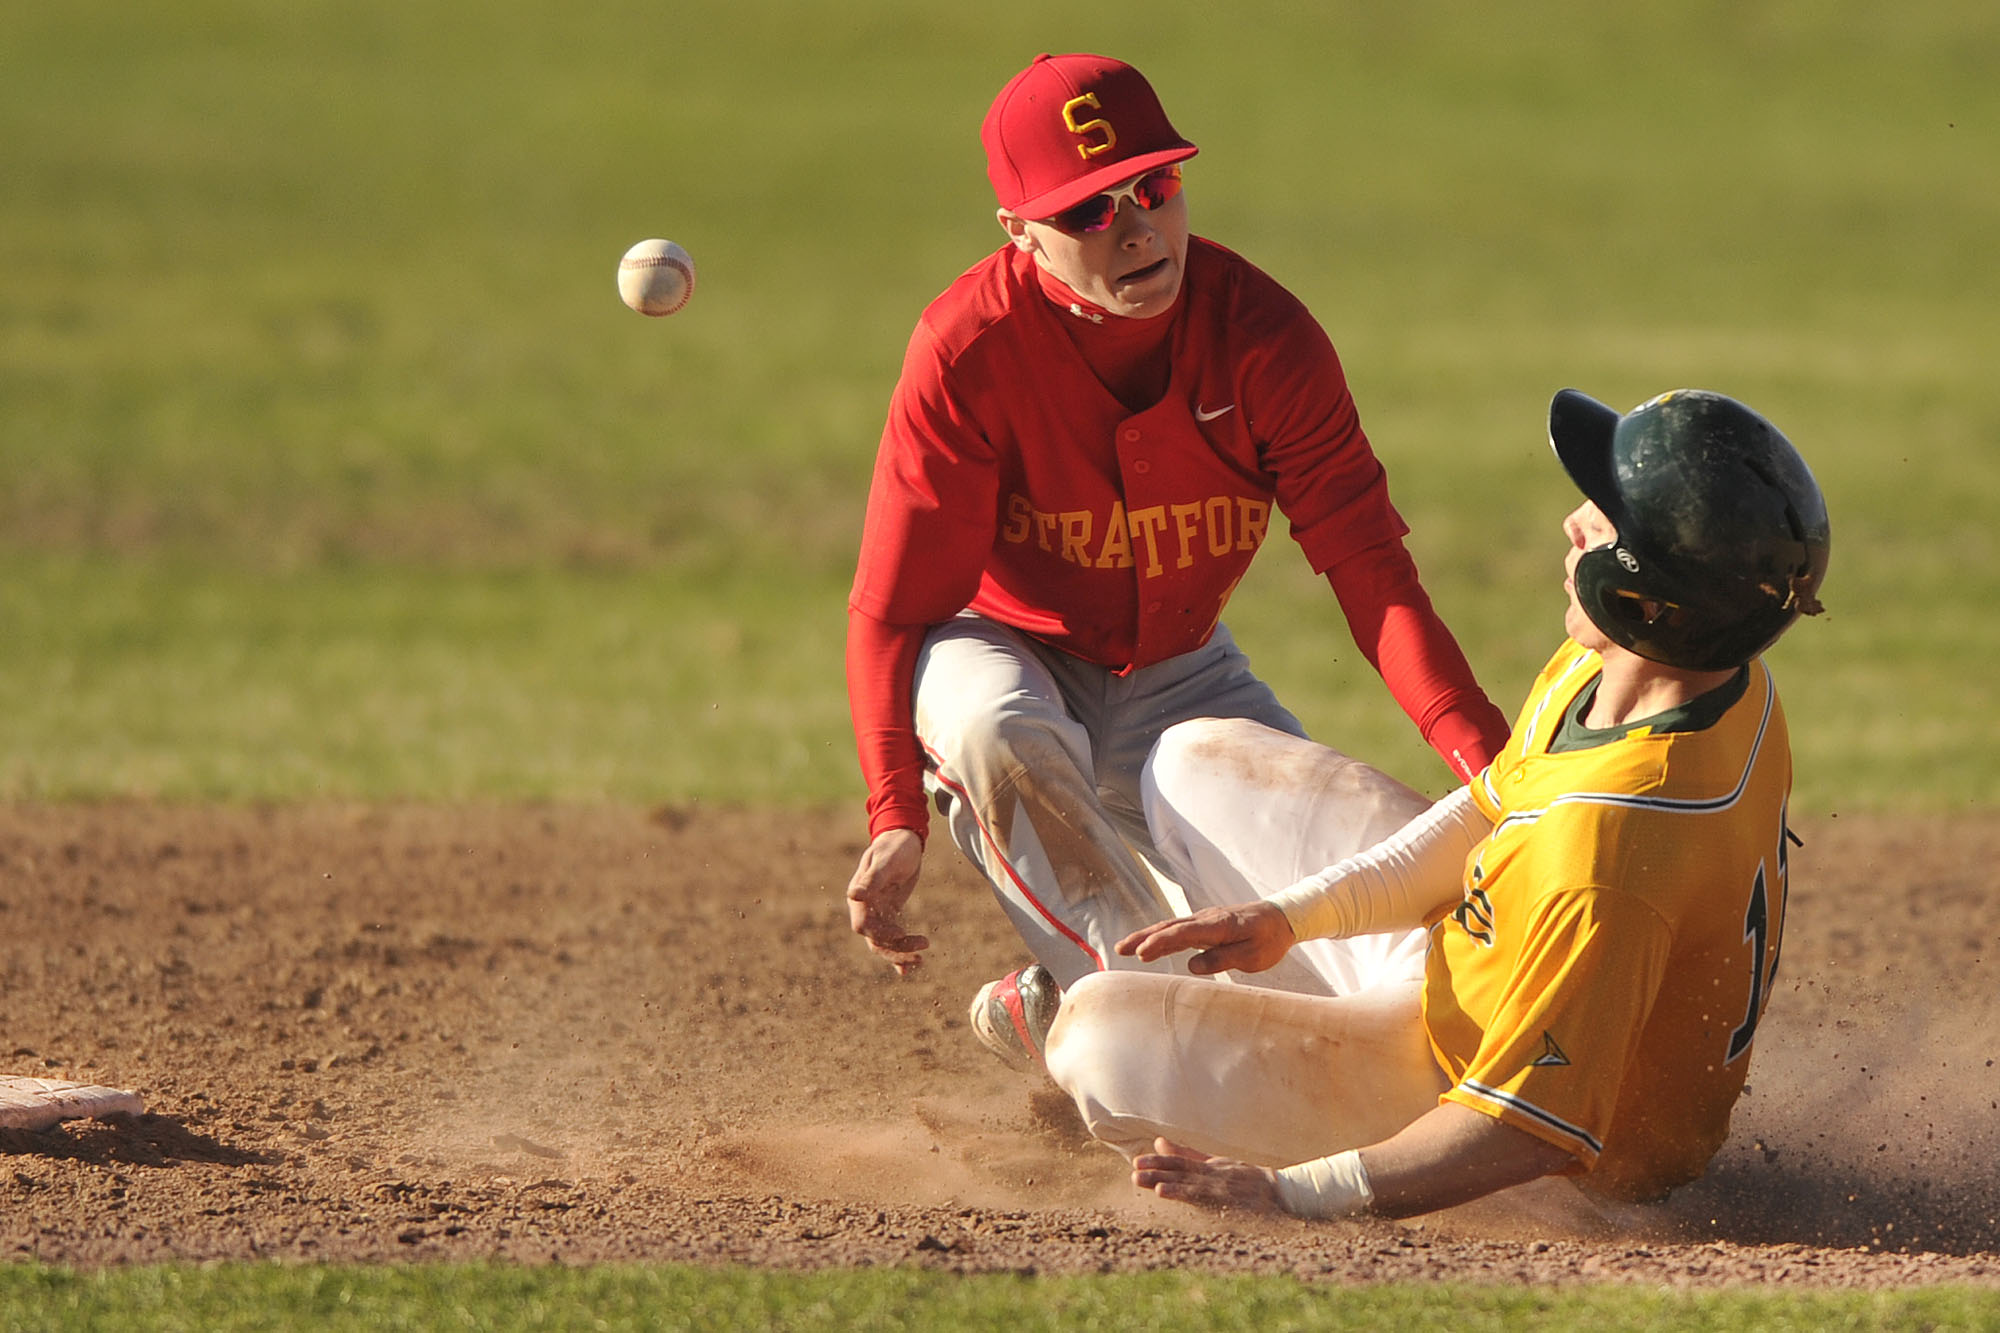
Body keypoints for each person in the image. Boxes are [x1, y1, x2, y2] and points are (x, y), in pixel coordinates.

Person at [842, 51, 1512, 1063]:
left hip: (1182, 667)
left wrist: (1489, 767)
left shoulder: (1262, 340)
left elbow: (1372, 573)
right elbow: (893, 611)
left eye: (1153, 187)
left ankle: (1057, 1004)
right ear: (1019, 234)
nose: (1136, 227)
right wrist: (894, 810)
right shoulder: (965, 351)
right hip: (1002, 643)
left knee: (1321, 946)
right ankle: (1137, 1041)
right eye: (1089, 213)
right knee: (996, 728)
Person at [1036, 387, 1831, 1220]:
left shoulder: (1608, 851)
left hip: (1511, 1136)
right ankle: (1274, 1025)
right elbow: (1492, 810)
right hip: (1483, 969)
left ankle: (1257, 1093)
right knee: (1190, 760)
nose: (1574, 521)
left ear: (1649, 598)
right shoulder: (1682, 674)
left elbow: (1528, 1133)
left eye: (1603, 518)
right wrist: (1289, 916)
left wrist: (1291, 1191)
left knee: (1096, 1037)